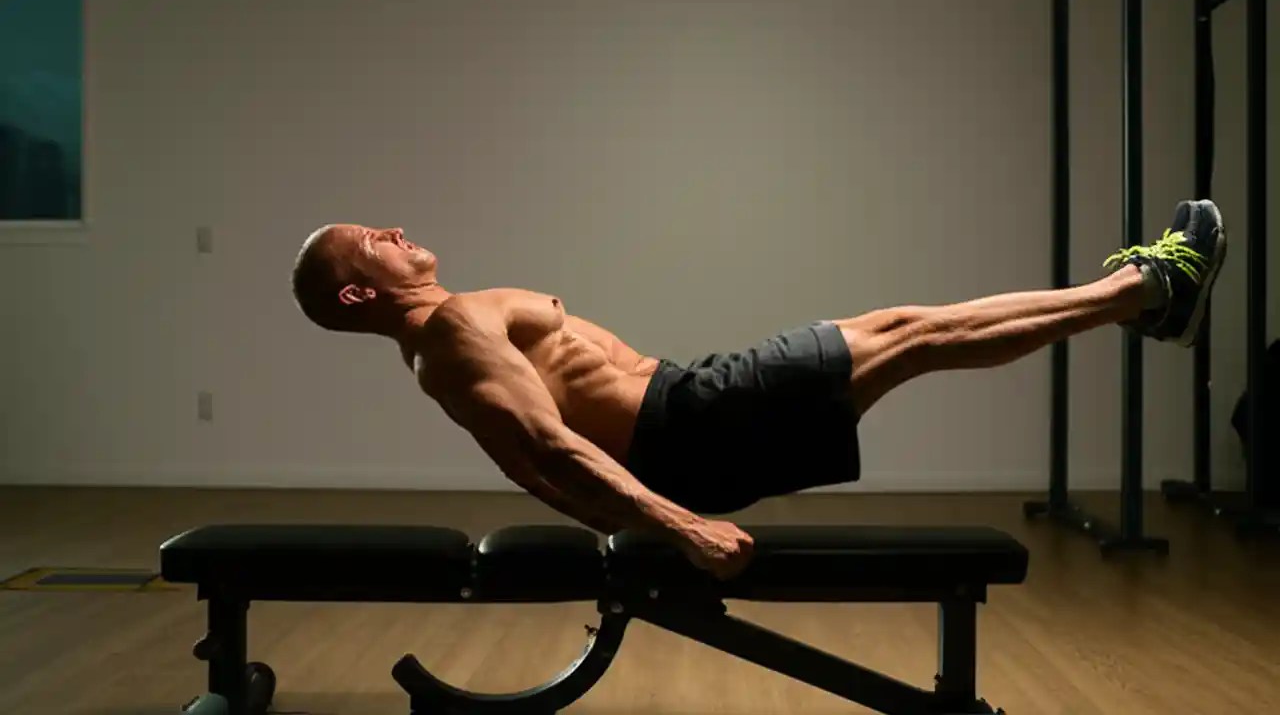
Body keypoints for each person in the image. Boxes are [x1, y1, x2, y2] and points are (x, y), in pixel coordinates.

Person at [291, 200, 1226, 579]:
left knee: (912, 339)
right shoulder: (451, 339)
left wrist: (652, 517)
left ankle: (1141, 298)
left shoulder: (445, 342)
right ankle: (1148, 290)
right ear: (358, 291)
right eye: (373, 238)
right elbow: (542, 452)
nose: (393, 227)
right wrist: (675, 524)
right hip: (693, 428)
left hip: (692, 420)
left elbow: (542, 460)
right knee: (917, 330)